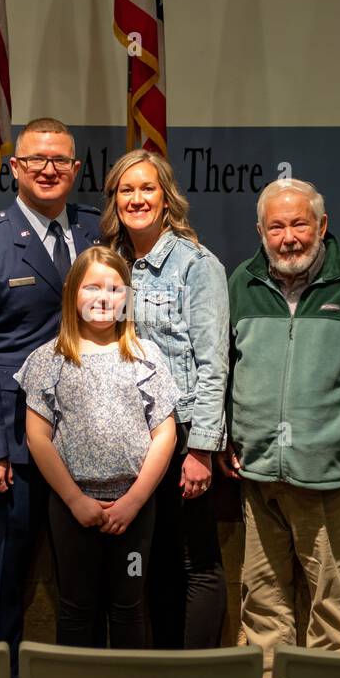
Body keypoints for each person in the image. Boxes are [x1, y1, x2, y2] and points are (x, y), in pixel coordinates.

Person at [221, 178, 340, 678]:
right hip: (257, 470)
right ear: (260, 232)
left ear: (322, 225)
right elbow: (226, 367)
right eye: (276, 227)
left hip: (326, 470)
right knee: (263, 594)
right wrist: (227, 433)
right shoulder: (241, 283)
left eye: (299, 224)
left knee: (331, 595)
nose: (289, 238)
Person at [0, 117, 102, 678]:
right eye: (36, 159)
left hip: (89, 439)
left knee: (82, 580)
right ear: (14, 167)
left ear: (76, 169)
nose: (48, 169)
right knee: (5, 575)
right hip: (11, 443)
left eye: (60, 160)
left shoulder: (94, 234)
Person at [17, 246, 178, 647]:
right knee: (75, 607)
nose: (104, 298)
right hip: (72, 506)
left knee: (128, 607)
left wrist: (135, 500)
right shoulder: (48, 359)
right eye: (92, 288)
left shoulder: (147, 356)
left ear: (128, 297)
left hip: (134, 507)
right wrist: (74, 499)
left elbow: (165, 434)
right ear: (72, 294)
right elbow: (37, 437)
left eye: (114, 288)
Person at [102, 149, 228, 648]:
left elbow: (214, 362)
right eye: (126, 190)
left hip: (181, 439)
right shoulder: (110, 262)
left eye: (147, 188)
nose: (137, 199)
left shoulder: (197, 266)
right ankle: (159, 673)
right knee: (148, 559)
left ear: (167, 197)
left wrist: (201, 448)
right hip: (130, 439)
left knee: (196, 559)